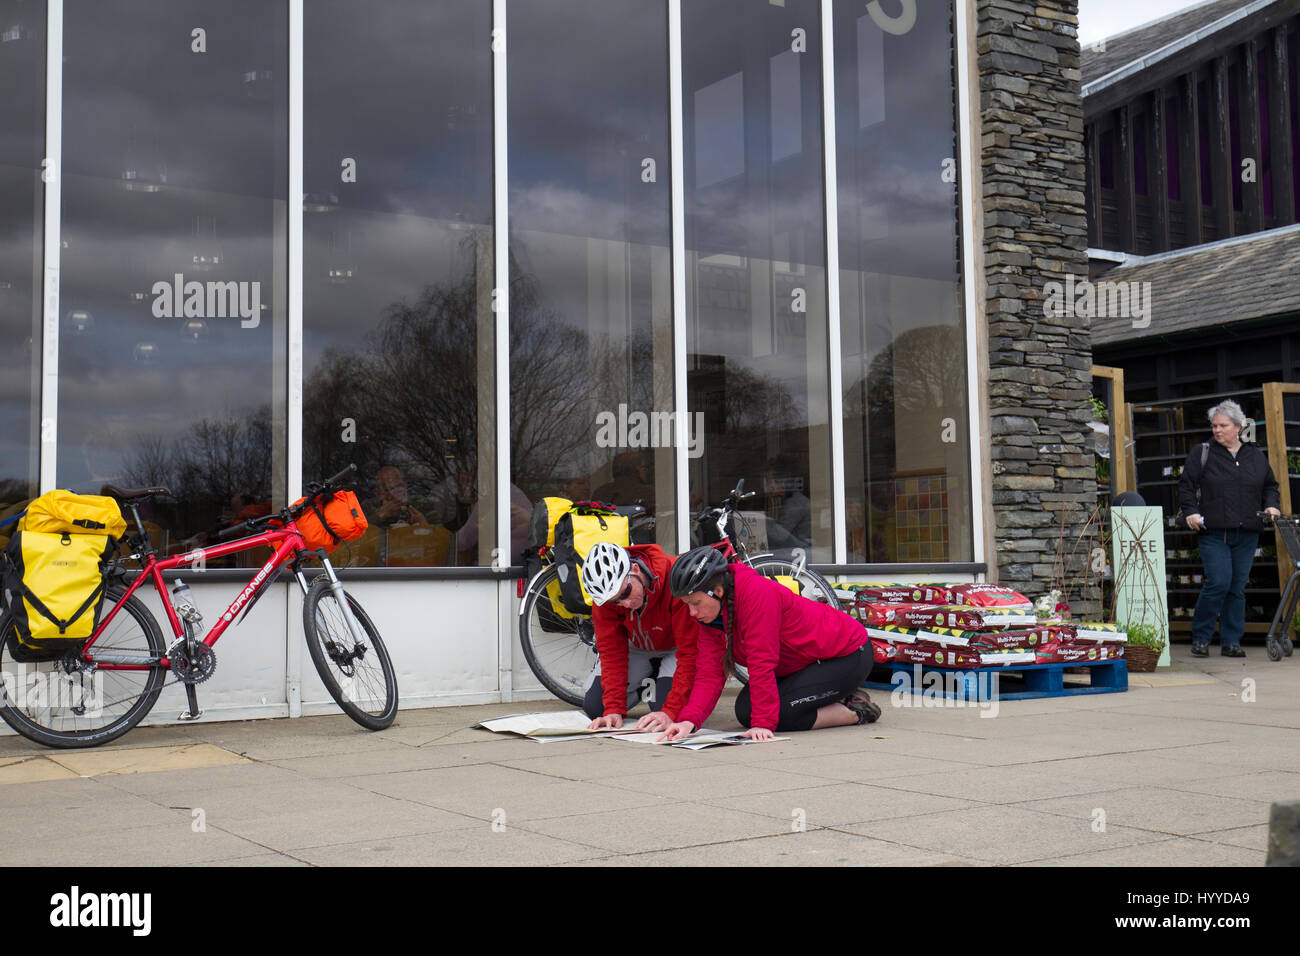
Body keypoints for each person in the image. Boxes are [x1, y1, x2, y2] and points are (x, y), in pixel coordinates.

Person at [659, 546, 879, 742]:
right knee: (746, 712)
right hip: (804, 663)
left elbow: (761, 661)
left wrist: (763, 724)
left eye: (695, 603)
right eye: (687, 605)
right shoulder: (710, 616)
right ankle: (828, 696)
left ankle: (854, 708)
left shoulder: (756, 592)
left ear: (717, 592)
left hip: (847, 654)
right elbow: (710, 671)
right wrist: (689, 721)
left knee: (780, 714)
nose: (691, 612)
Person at [1177, 399, 1281, 658]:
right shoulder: (1202, 452)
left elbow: (1270, 486)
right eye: (1214, 426)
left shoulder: (1255, 455)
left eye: (1223, 426)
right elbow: (1186, 486)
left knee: (1237, 587)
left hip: (1247, 531)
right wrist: (1190, 511)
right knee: (1218, 583)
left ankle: (1231, 642)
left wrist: (1272, 506)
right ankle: (1201, 638)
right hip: (1213, 531)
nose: (1217, 431)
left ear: (1238, 427)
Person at [579, 541, 703, 733]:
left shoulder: (675, 578)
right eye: (616, 601)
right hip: (637, 648)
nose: (626, 603)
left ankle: (658, 683)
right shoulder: (605, 598)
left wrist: (670, 710)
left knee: (670, 713)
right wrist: (613, 708)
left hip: (675, 649)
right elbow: (611, 652)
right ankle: (650, 677)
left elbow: (690, 652)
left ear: (635, 569)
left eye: (626, 592)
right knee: (597, 708)